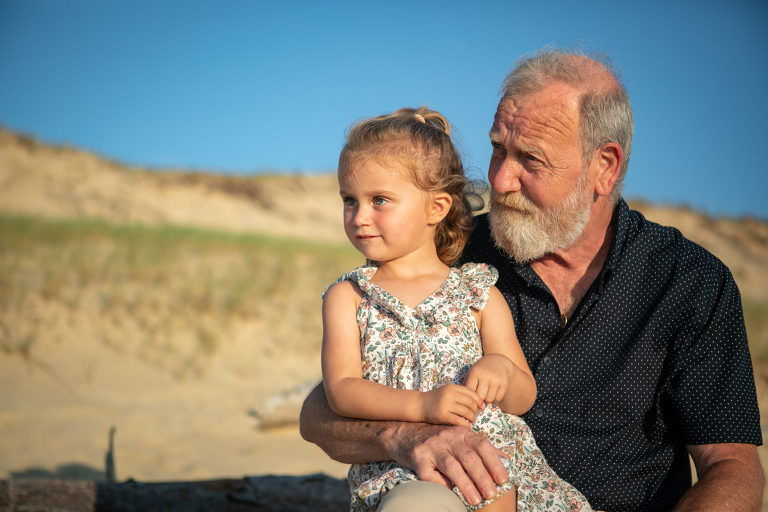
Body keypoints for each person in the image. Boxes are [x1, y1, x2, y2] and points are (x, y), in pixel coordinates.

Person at [301, 50, 764, 511]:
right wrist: (405, 436)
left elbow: (731, 464)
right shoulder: (446, 252)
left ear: (604, 166)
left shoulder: (688, 282)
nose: (500, 180)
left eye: (531, 158)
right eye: (498, 149)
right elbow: (320, 413)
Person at [323, 106, 595, 511]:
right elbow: (342, 391)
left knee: (496, 485)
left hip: (496, 463)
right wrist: (421, 406)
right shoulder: (350, 296)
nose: (359, 217)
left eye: (379, 200)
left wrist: (502, 371)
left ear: (436, 208)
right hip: (407, 468)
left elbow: (524, 395)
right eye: (350, 200)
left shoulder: (477, 293)